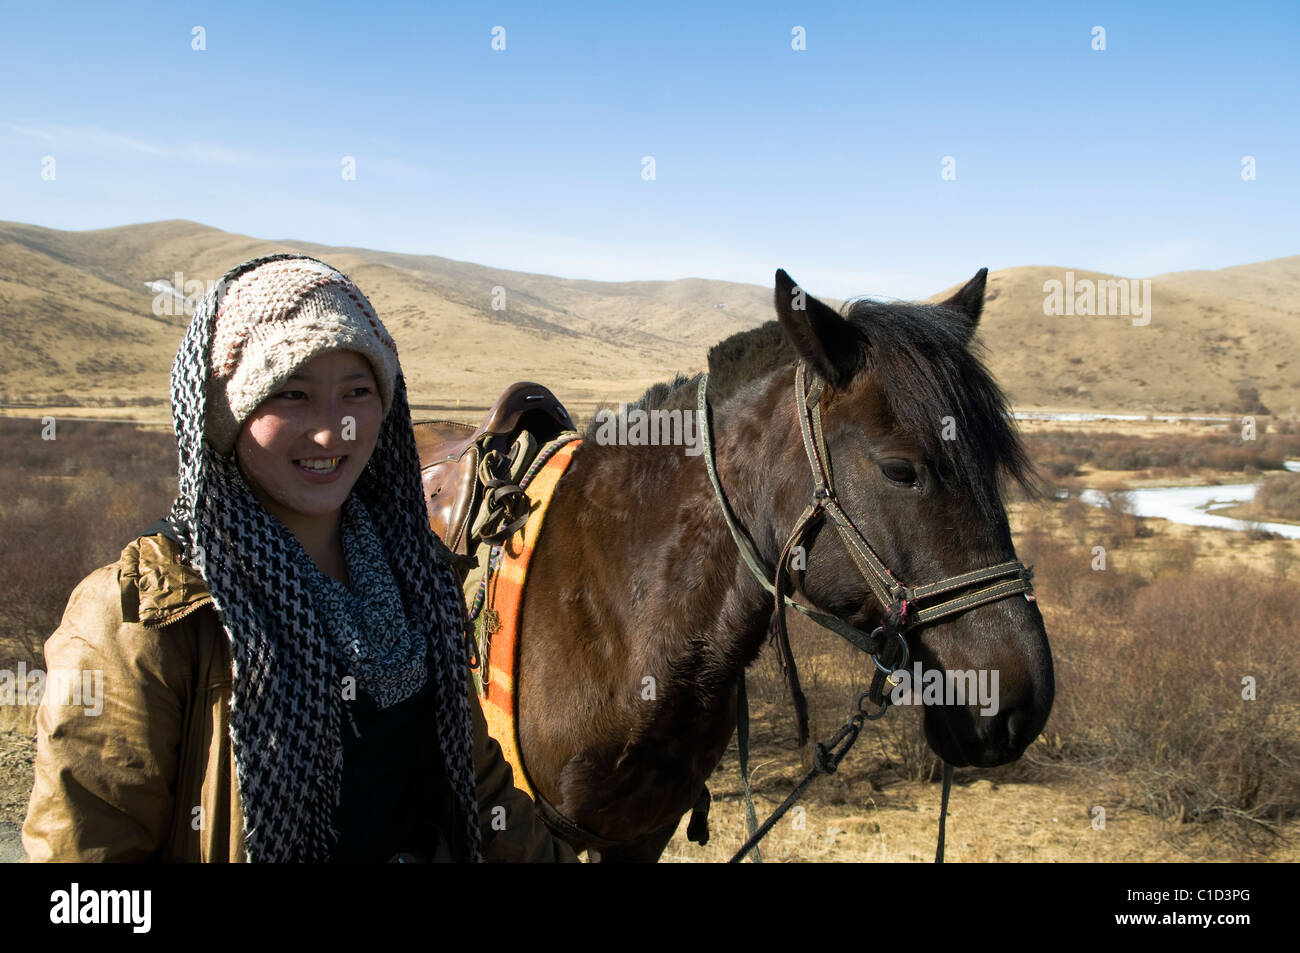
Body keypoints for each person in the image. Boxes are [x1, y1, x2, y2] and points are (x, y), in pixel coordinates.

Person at [22, 254, 575, 862]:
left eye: (357, 392)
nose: (331, 430)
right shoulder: (147, 612)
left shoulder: (416, 574)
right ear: (225, 415)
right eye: (292, 394)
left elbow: (476, 786)